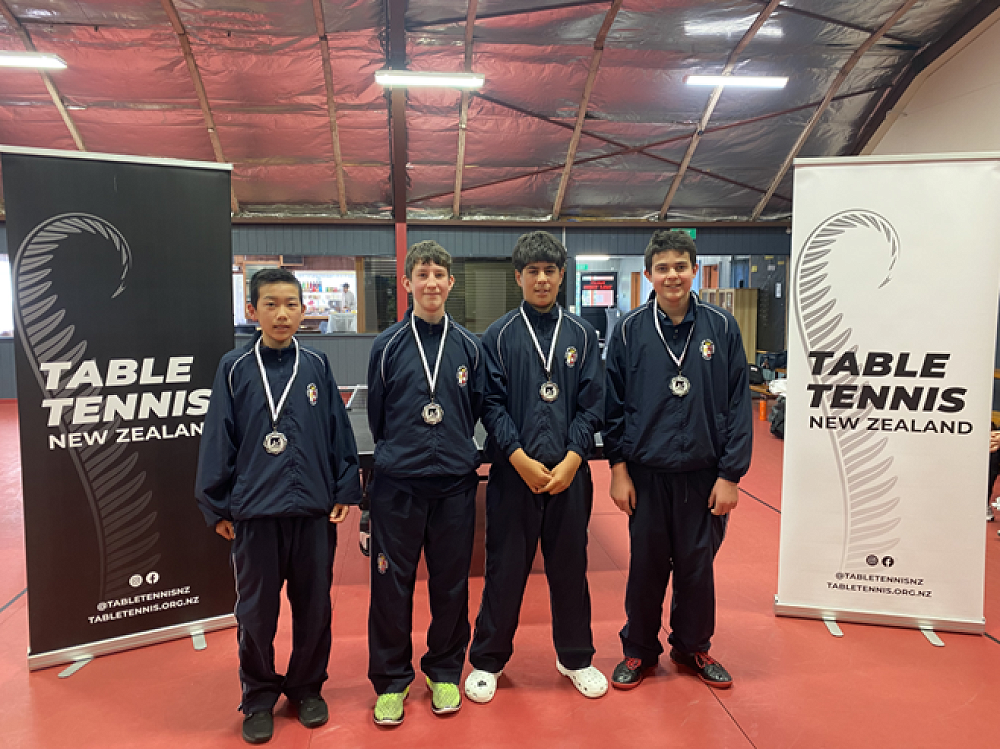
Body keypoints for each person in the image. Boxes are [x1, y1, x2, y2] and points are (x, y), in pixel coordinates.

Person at [195, 268, 362, 744]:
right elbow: (217, 440)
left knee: (314, 609)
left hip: (310, 510)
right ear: (252, 311)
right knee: (256, 613)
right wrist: (217, 505)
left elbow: (337, 430)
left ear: (303, 311)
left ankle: (307, 688)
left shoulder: (316, 365)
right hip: (255, 515)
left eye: (291, 304)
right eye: (271, 304)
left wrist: (344, 487)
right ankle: (260, 696)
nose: (282, 313)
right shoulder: (233, 368)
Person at [604, 229, 752, 691]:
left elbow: (738, 402)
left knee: (696, 567)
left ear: (695, 271)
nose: (672, 275)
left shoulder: (722, 327)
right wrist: (618, 469)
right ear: (649, 274)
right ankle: (639, 649)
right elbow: (614, 406)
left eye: (680, 266)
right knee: (645, 567)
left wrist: (730, 474)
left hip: (703, 474)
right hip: (647, 473)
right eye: (663, 267)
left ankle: (692, 646)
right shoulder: (629, 329)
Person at [465, 230, 607, 704]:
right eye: (533, 272)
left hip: (569, 474)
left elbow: (593, 404)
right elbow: (491, 404)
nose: (542, 279)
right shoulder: (499, 335)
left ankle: (576, 657)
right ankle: (487, 661)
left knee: (571, 569)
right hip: (514, 474)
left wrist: (571, 458)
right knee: (504, 570)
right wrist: (518, 457)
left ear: (562, 276)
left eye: (550, 271)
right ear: (518, 277)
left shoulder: (583, 334)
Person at [366, 240, 485, 726]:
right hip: (399, 484)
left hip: (455, 483)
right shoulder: (387, 345)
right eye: (423, 274)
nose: (431, 282)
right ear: (408, 283)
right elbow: (378, 416)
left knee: (451, 585)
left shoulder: (469, 347)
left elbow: (474, 408)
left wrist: (451, 448)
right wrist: (403, 453)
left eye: (440, 274)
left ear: (450, 283)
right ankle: (392, 680)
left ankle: (443, 670)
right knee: (391, 586)